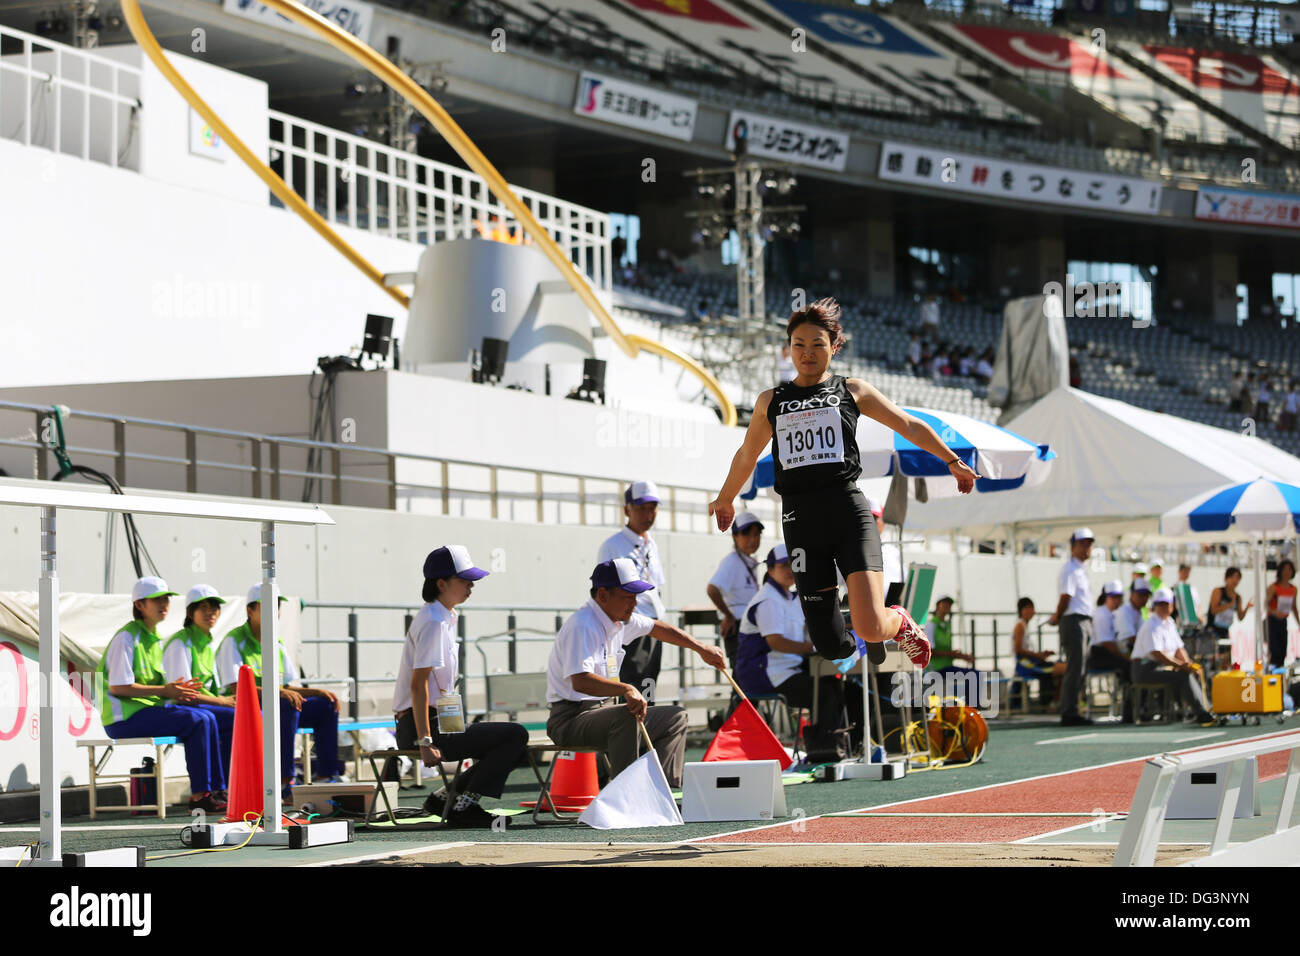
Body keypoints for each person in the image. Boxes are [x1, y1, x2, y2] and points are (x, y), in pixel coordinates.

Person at [708, 297, 977, 673]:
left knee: (870, 624)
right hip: (801, 521)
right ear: (788, 349)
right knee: (830, 643)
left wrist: (951, 459)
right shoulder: (772, 401)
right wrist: (725, 499)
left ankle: (897, 622)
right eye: (799, 345)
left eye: (818, 345)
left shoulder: (852, 390)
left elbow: (907, 424)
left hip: (848, 512)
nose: (807, 353)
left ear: (834, 347)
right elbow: (747, 454)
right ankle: (859, 657)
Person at [545, 559, 726, 788]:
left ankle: (664, 791)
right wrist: (626, 689)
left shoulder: (617, 619)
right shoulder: (583, 625)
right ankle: (626, 794)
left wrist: (701, 648)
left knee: (675, 718)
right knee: (626, 715)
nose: (634, 603)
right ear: (603, 595)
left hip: (604, 712)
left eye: (635, 596)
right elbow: (580, 681)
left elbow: (657, 628)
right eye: (628, 596)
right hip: (571, 720)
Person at [391, 546, 528, 827]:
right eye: (465, 580)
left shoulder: (441, 617)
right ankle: (464, 804)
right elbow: (418, 686)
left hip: (435, 720)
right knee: (514, 735)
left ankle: (447, 797)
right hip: (424, 726)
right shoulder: (433, 621)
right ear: (441, 583)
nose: (471, 586)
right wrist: (425, 741)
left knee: (510, 740)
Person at [98, 577, 226, 813]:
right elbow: (118, 687)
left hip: (145, 712)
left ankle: (216, 790)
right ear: (139, 605)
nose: (164, 604)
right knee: (197, 720)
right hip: (122, 720)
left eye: (166, 599)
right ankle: (201, 796)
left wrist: (175, 691)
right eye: (157, 600)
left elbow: (159, 688)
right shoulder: (127, 638)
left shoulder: (152, 638)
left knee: (206, 717)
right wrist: (166, 690)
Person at [215, 585, 342, 802]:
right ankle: (284, 781)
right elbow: (237, 689)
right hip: (248, 708)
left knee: (325, 706)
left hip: (277, 704)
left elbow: (287, 687)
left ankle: (326, 777)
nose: (274, 611)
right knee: (286, 705)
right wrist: (280, 693)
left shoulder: (277, 642)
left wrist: (318, 691)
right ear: (250, 610)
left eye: (277, 606)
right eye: (267, 606)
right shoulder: (233, 641)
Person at [735, 544, 860, 760]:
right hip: (765, 674)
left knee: (846, 689)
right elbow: (776, 642)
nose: (790, 570)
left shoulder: (792, 598)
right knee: (826, 692)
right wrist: (812, 648)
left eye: (794, 565)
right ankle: (823, 748)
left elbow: (806, 632)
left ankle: (849, 745)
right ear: (770, 569)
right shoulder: (767, 600)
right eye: (783, 565)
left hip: (789, 669)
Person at [598, 480, 668, 698]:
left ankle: (649, 727)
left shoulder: (651, 544)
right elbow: (605, 591)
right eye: (641, 509)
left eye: (652, 508)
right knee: (631, 682)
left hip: (652, 624)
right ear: (627, 509)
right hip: (630, 624)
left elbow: (657, 586)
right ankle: (631, 730)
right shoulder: (613, 545)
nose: (648, 515)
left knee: (650, 682)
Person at [161, 585, 238, 784]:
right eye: (203, 607)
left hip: (202, 705)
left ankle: (233, 784)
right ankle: (218, 787)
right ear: (190, 612)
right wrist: (221, 702)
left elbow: (211, 688)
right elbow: (183, 695)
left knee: (248, 716)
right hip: (180, 707)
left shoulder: (206, 642)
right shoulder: (180, 643)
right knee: (234, 717)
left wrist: (225, 700)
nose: (210, 612)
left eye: (214, 607)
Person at [1131, 589, 1214, 724]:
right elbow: (1157, 654)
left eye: (1166, 604)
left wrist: (1188, 664)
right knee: (1183, 674)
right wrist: (1181, 665)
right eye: (1160, 604)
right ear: (1155, 606)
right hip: (1144, 669)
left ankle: (1205, 707)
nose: (1164, 607)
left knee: (1193, 671)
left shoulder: (1169, 623)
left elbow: (1179, 649)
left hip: (1159, 666)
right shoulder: (1151, 625)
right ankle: (1201, 712)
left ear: (1172, 605)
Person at [1048, 528, 1096, 726]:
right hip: (1074, 620)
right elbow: (1065, 597)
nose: (1086, 548)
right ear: (1073, 547)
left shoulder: (1078, 568)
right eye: (1082, 544)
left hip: (1081, 620)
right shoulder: (1070, 569)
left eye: (1089, 544)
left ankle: (1074, 709)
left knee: (1080, 667)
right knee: (1075, 667)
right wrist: (1058, 616)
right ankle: (1069, 712)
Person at [705, 511, 764, 673]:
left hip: (750, 627)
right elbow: (712, 589)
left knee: (751, 677)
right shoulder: (732, 561)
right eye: (746, 535)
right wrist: (728, 615)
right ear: (735, 537)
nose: (753, 540)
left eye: (756, 534)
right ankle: (738, 700)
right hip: (738, 628)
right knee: (743, 676)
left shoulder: (750, 561)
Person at [1089, 580, 1133, 722]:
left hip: (1107, 652)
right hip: (1098, 654)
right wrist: (1124, 657)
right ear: (1105, 597)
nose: (1116, 600)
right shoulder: (1101, 614)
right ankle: (1128, 710)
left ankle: (1130, 707)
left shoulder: (1113, 614)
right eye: (1113, 597)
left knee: (1132, 666)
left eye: (1118, 597)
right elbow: (1107, 643)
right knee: (1129, 667)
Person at [1012, 598, 1065, 708]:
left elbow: (1025, 649)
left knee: (1064, 668)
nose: (1030, 611)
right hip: (1026, 665)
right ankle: (1054, 702)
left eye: (1031, 608)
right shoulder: (1020, 626)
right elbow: (1018, 649)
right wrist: (1038, 655)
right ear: (1021, 611)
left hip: (1031, 662)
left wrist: (1041, 654)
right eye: (1026, 608)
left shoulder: (1024, 626)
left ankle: (1054, 700)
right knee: (1065, 669)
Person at [1207, 566, 1252, 666]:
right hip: (1213, 630)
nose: (1235, 580)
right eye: (1232, 577)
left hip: (1225, 630)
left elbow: (1240, 617)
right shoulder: (1218, 591)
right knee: (1214, 659)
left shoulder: (1237, 597)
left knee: (1226, 659)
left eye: (1237, 578)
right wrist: (1229, 604)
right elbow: (1213, 610)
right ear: (1227, 578)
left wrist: (1247, 608)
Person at [1265, 559, 1299, 669]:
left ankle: (1280, 674)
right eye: (1285, 569)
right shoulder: (1274, 587)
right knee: (1275, 651)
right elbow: (1265, 605)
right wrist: (1274, 612)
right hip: (1272, 621)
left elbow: (1294, 607)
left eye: (1289, 569)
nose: (1287, 572)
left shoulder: (1293, 589)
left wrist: (1298, 623)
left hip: (1283, 621)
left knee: (1283, 651)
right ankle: (1273, 674)